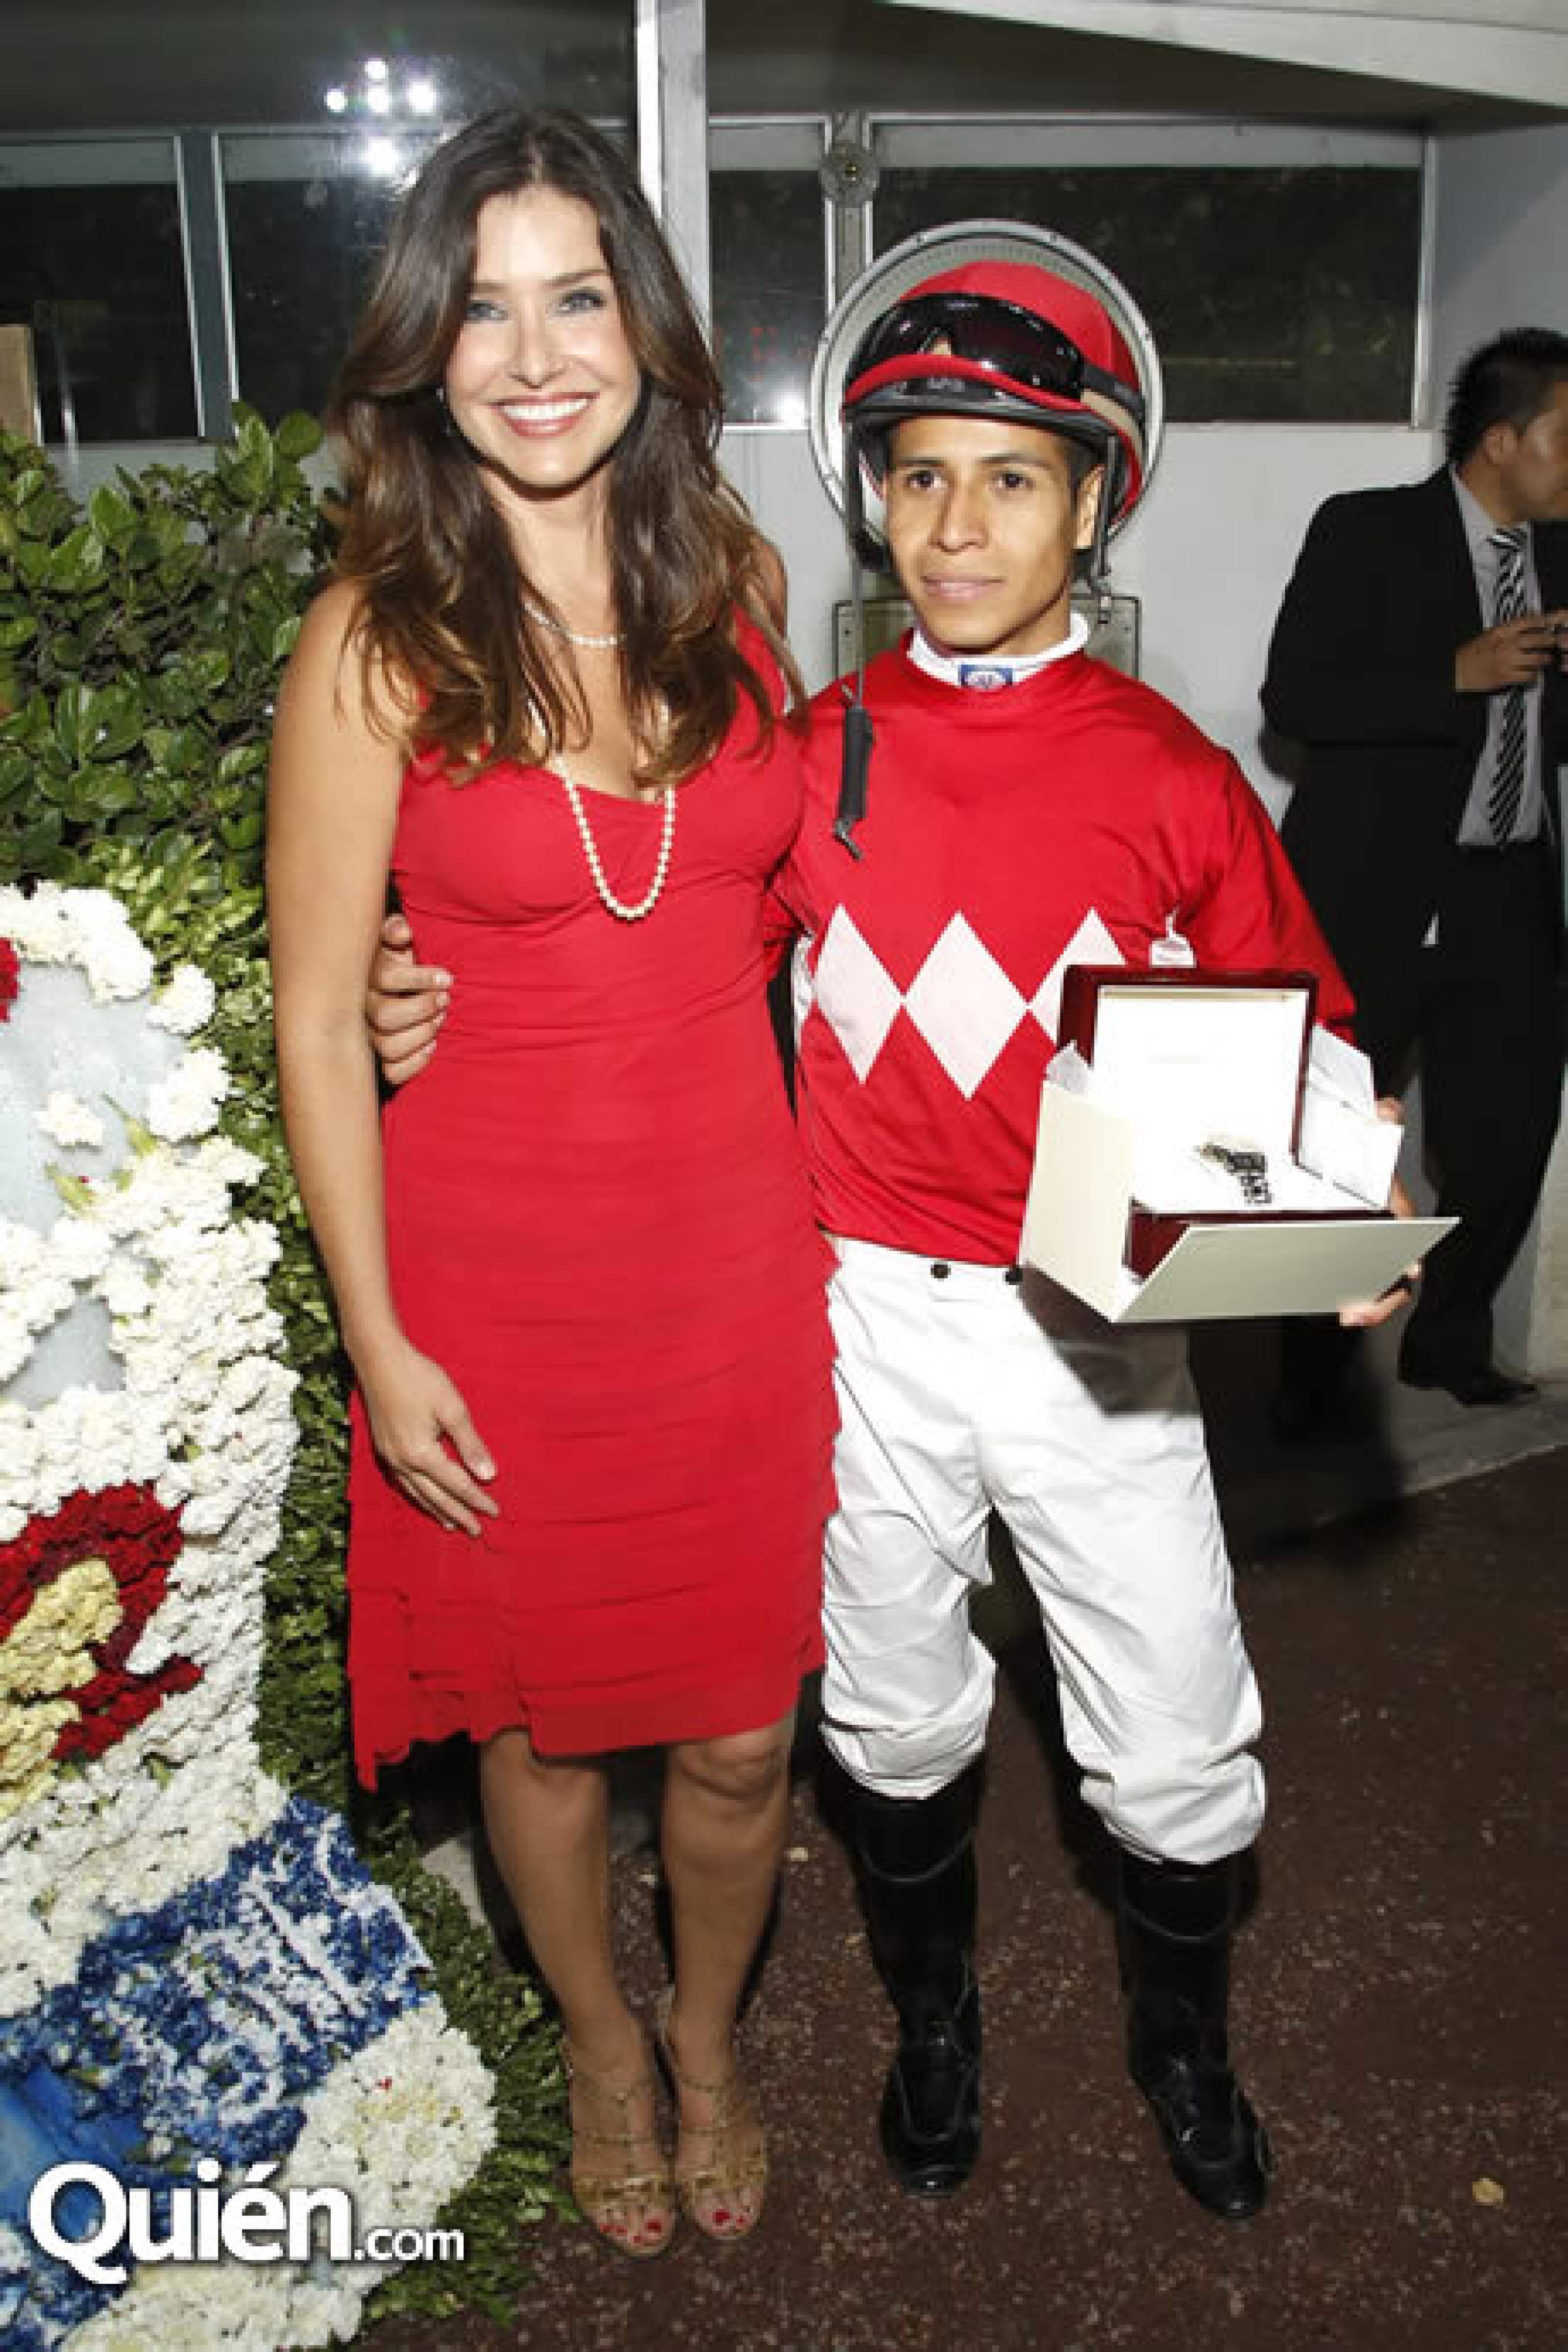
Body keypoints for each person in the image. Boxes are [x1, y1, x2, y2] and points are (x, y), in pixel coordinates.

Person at [368, 252, 1414, 2222]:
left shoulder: (1175, 776)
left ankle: (1183, 2046)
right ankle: (933, 2031)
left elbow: (1306, 1036)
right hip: (846, 1313)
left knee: (1175, 1731)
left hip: (1095, 1335)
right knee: (886, 1711)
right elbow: (634, 928)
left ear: (1094, 501)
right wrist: (402, 985)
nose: (956, 525)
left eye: (1010, 482)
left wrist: (1347, 1207)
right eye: (919, 476)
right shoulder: (798, 745)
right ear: (871, 495)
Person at [266, 106, 837, 2259]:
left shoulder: (745, 591)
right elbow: (325, 1013)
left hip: (728, 1265)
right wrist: (378, 1337)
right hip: (493, 1277)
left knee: (733, 1735)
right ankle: (598, 2042)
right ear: (427, 355)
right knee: (540, 1724)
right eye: (481, 308)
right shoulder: (370, 642)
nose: (531, 353)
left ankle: (709, 2032)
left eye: (573, 297)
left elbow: (799, 907)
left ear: (646, 331)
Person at [1264, 329, 1568, 1428]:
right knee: (1336, 1148)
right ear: (1502, 440)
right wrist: (1455, 672)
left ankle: (1451, 1344)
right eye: (1566, 440)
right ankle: (1307, 1378)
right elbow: (1294, 699)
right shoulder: (1366, 529)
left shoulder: (1562, 554)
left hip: (1507, 893)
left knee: (1508, 1132)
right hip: (1377, 896)